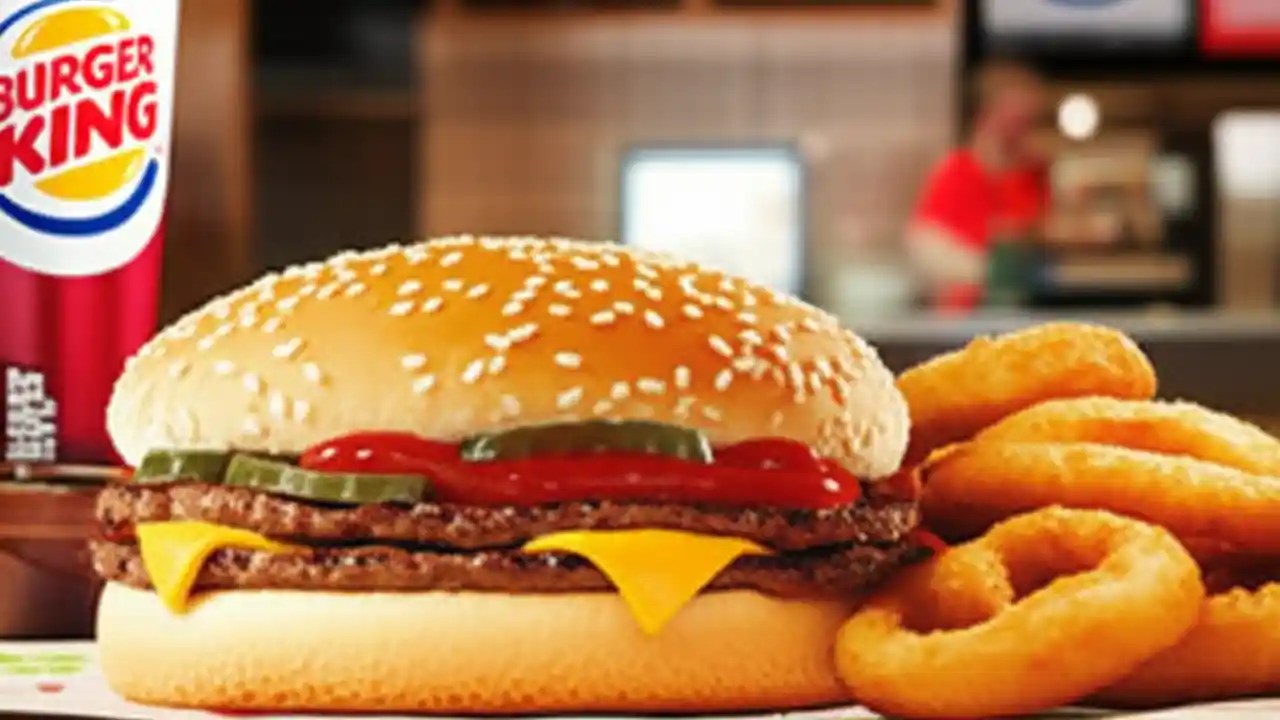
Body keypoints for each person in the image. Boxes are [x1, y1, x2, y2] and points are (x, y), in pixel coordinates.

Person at [907, 59, 1050, 310]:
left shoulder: (1034, 173)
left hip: (1024, 305)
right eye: (1013, 121)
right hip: (965, 312)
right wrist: (987, 269)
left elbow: (1040, 234)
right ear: (984, 117)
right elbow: (925, 248)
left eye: (1028, 122)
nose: (1020, 131)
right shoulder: (957, 171)